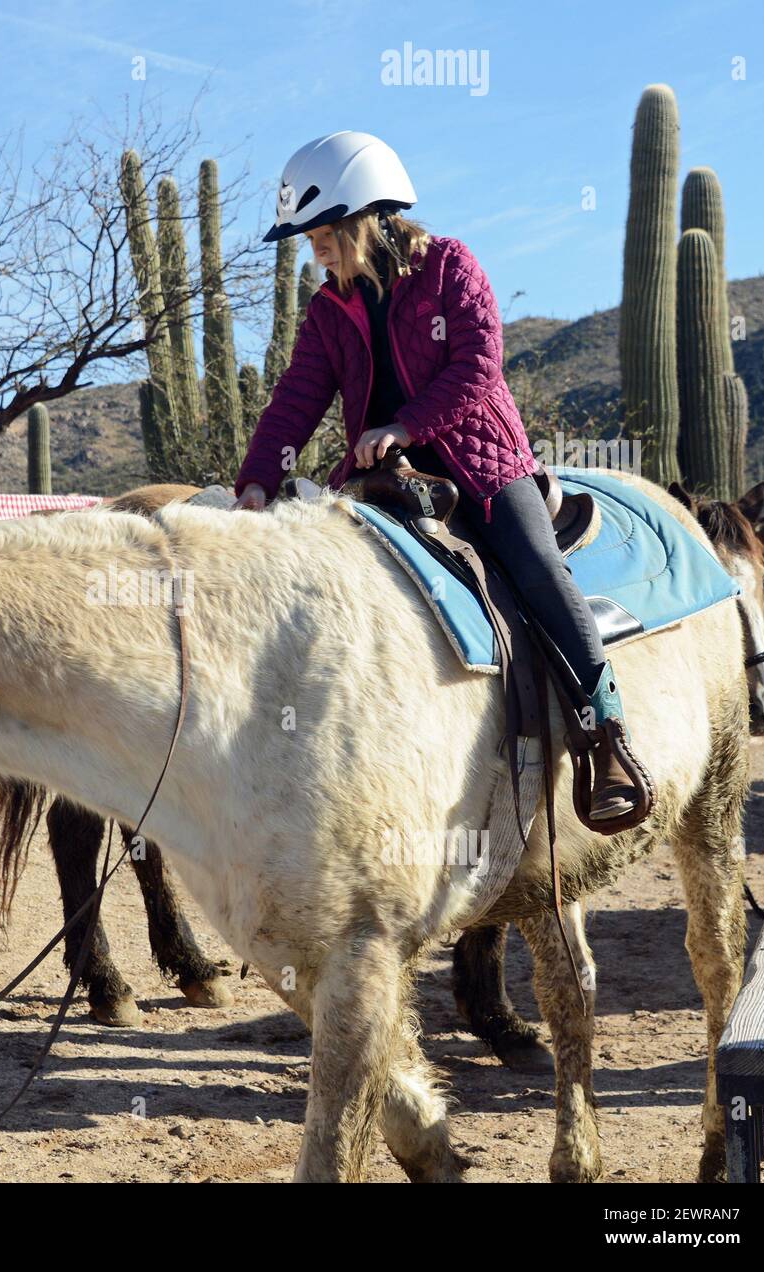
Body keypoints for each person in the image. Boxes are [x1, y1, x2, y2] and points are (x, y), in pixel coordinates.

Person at [232, 130, 639, 822]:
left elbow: (479, 368)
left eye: (323, 232)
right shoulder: (329, 309)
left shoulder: (451, 267)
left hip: (481, 461)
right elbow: (296, 401)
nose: (315, 250)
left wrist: (406, 424)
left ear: (366, 217)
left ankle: (606, 736)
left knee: (538, 568)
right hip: (385, 473)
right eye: (308, 239)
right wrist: (255, 486)